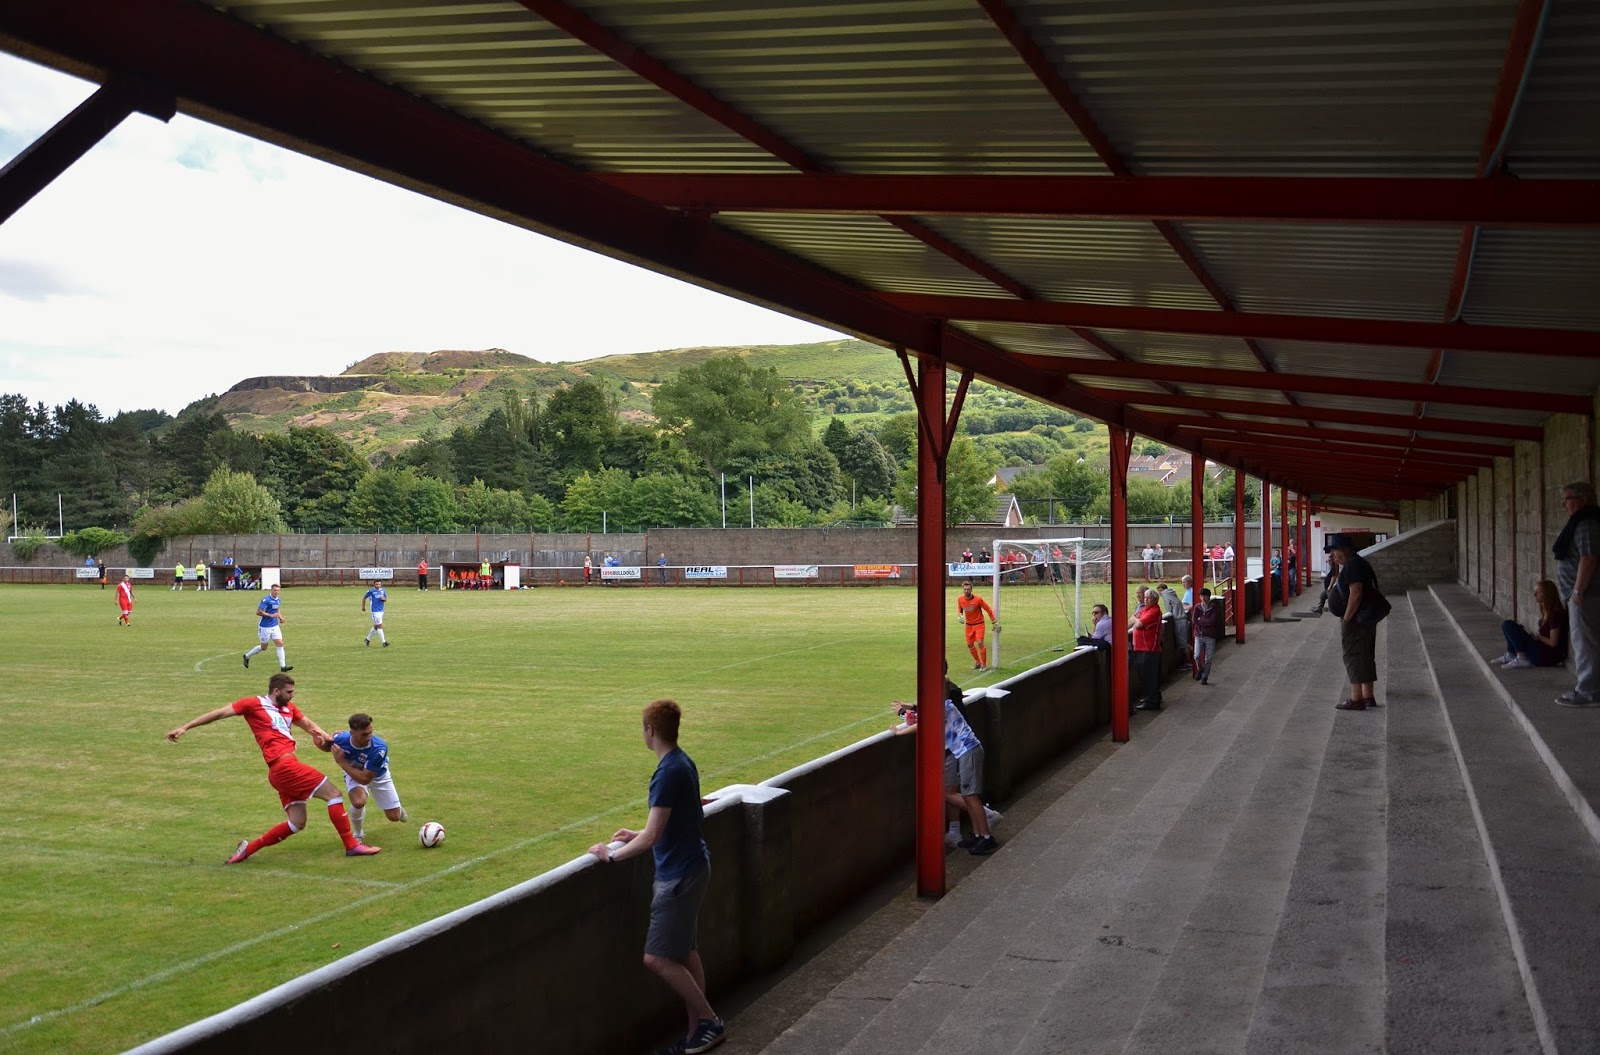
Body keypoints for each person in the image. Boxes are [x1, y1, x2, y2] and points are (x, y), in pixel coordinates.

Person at [587, 700, 724, 1055]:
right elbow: (671, 823)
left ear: (650, 731)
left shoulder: (667, 773)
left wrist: (611, 855)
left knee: (657, 958)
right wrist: (637, 834)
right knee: (687, 953)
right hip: (694, 866)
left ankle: (709, 1022)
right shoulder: (683, 762)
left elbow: (652, 837)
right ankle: (696, 1035)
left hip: (678, 878)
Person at [166, 673, 380, 861]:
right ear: (276, 691)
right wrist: (186, 727)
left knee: (297, 822)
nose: (292, 696)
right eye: (289, 692)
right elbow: (220, 713)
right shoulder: (252, 704)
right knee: (334, 795)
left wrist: (333, 739)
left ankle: (247, 850)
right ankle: (351, 845)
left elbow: (309, 726)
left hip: (280, 770)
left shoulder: (289, 708)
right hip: (285, 766)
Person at [891, 661, 998, 856]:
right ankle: (978, 835)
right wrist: (906, 710)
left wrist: (899, 732)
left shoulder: (943, 708)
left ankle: (986, 837)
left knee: (971, 796)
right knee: (968, 795)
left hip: (968, 751)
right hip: (965, 752)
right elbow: (923, 716)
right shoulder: (944, 705)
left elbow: (924, 723)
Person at [319, 712, 407, 842]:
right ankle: (358, 835)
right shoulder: (341, 739)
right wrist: (320, 740)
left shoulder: (379, 749)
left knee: (394, 817)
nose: (369, 737)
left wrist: (343, 763)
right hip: (353, 772)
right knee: (358, 802)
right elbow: (327, 746)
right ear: (352, 732)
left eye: (370, 732)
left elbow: (365, 779)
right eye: (364, 734)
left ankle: (398, 809)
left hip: (378, 775)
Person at [1554, 481, 1600, 707]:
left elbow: (1589, 557)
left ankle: (1589, 692)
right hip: (1583, 594)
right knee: (1587, 642)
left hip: (1586, 595)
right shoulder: (1582, 521)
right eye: (1563, 500)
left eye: (1568, 499)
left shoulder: (1586, 522)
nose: (1564, 504)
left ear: (1583, 500)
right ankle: (1589, 687)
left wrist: (1577, 591)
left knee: (1585, 644)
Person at [1326, 534, 1378, 711]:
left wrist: (1347, 620)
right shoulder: (1357, 563)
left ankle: (1356, 699)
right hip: (1363, 618)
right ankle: (1367, 695)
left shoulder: (1353, 565)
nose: (1333, 555)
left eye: (1334, 550)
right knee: (1364, 655)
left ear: (1345, 550)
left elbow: (1356, 593)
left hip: (1356, 619)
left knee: (1353, 655)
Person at [1495, 579, 1568, 670]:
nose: (1535, 594)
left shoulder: (1555, 615)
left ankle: (1521, 658)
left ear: (1547, 594)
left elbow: (1553, 642)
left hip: (1544, 656)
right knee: (1509, 626)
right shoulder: (1547, 612)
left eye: (1539, 592)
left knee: (1509, 625)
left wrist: (1539, 637)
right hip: (1541, 652)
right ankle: (1511, 654)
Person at [244, 583, 293, 672]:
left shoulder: (278, 600)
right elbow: (258, 612)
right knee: (264, 647)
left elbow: (277, 610)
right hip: (265, 626)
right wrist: (270, 615)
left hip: (275, 625)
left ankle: (283, 666)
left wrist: (280, 618)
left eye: (278, 590)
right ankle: (247, 656)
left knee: (280, 643)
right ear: (271, 590)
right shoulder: (266, 600)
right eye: (275, 590)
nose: (276, 592)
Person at [1130, 587, 1163, 712]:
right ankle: (1151, 697)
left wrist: (1135, 619)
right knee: (1145, 674)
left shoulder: (1154, 611)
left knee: (1148, 675)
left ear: (1155, 600)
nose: (1146, 600)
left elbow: (1138, 624)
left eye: (1149, 598)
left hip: (1149, 648)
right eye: (1145, 598)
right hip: (1141, 648)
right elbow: (1131, 619)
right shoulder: (1145, 609)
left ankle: (1151, 701)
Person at [956, 579, 999, 671]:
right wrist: (959, 616)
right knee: (969, 645)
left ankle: (984, 665)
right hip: (968, 626)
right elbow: (960, 610)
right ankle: (978, 663)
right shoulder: (960, 599)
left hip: (979, 624)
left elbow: (988, 609)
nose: (966, 591)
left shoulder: (978, 599)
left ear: (971, 590)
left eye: (968, 589)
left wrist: (993, 621)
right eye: (965, 589)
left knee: (980, 643)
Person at [1192, 587, 1223, 684]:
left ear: (1209, 597)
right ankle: (1200, 668)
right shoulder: (1197, 607)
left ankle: (1205, 677)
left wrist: (1201, 620)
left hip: (1210, 636)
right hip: (1199, 635)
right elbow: (1194, 620)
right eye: (1201, 596)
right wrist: (1204, 621)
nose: (1203, 598)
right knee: (1196, 655)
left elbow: (1212, 621)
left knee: (1208, 658)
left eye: (1204, 596)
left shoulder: (1214, 608)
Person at [363, 579, 390, 647]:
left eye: (379, 584)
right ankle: (384, 642)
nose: (378, 585)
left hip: (381, 610)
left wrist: (383, 599)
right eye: (376, 584)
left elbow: (385, 599)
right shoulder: (371, 591)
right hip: (374, 611)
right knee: (379, 626)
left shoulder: (383, 590)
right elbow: (364, 598)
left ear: (381, 584)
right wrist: (363, 607)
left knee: (376, 626)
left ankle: (367, 639)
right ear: (374, 584)